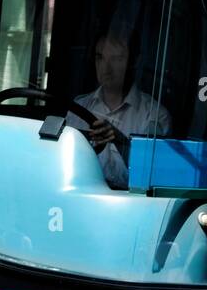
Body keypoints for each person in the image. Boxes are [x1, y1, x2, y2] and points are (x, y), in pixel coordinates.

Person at [70, 30, 171, 188]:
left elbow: (150, 174)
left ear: (133, 62)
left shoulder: (154, 114)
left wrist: (120, 141)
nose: (106, 67)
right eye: (100, 57)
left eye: (117, 59)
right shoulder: (78, 108)